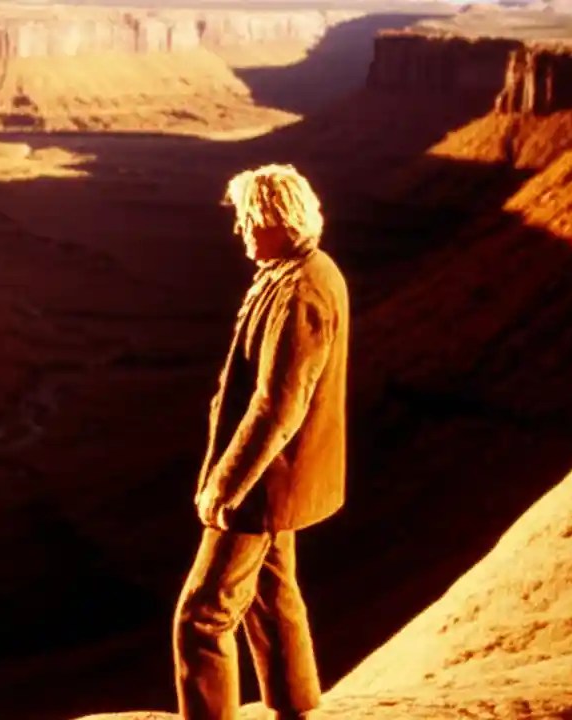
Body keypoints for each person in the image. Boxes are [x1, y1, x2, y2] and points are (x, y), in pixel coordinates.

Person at [173, 164, 350, 720]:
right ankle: (297, 707)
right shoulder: (296, 272)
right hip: (278, 481)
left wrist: (224, 487)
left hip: (264, 485)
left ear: (280, 220)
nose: (242, 230)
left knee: (202, 616)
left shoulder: (301, 289)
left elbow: (279, 407)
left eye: (251, 219)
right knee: (273, 598)